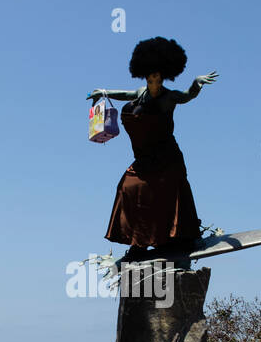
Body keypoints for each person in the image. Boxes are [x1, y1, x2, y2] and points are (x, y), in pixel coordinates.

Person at [89, 36, 218, 262]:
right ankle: (139, 243)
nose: (153, 81)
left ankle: (176, 238)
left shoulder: (170, 97)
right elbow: (124, 95)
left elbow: (188, 95)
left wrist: (196, 83)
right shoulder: (141, 93)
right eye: (149, 77)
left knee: (167, 189)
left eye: (156, 77)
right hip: (145, 159)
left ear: (163, 76)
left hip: (168, 158)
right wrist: (104, 92)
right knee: (129, 186)